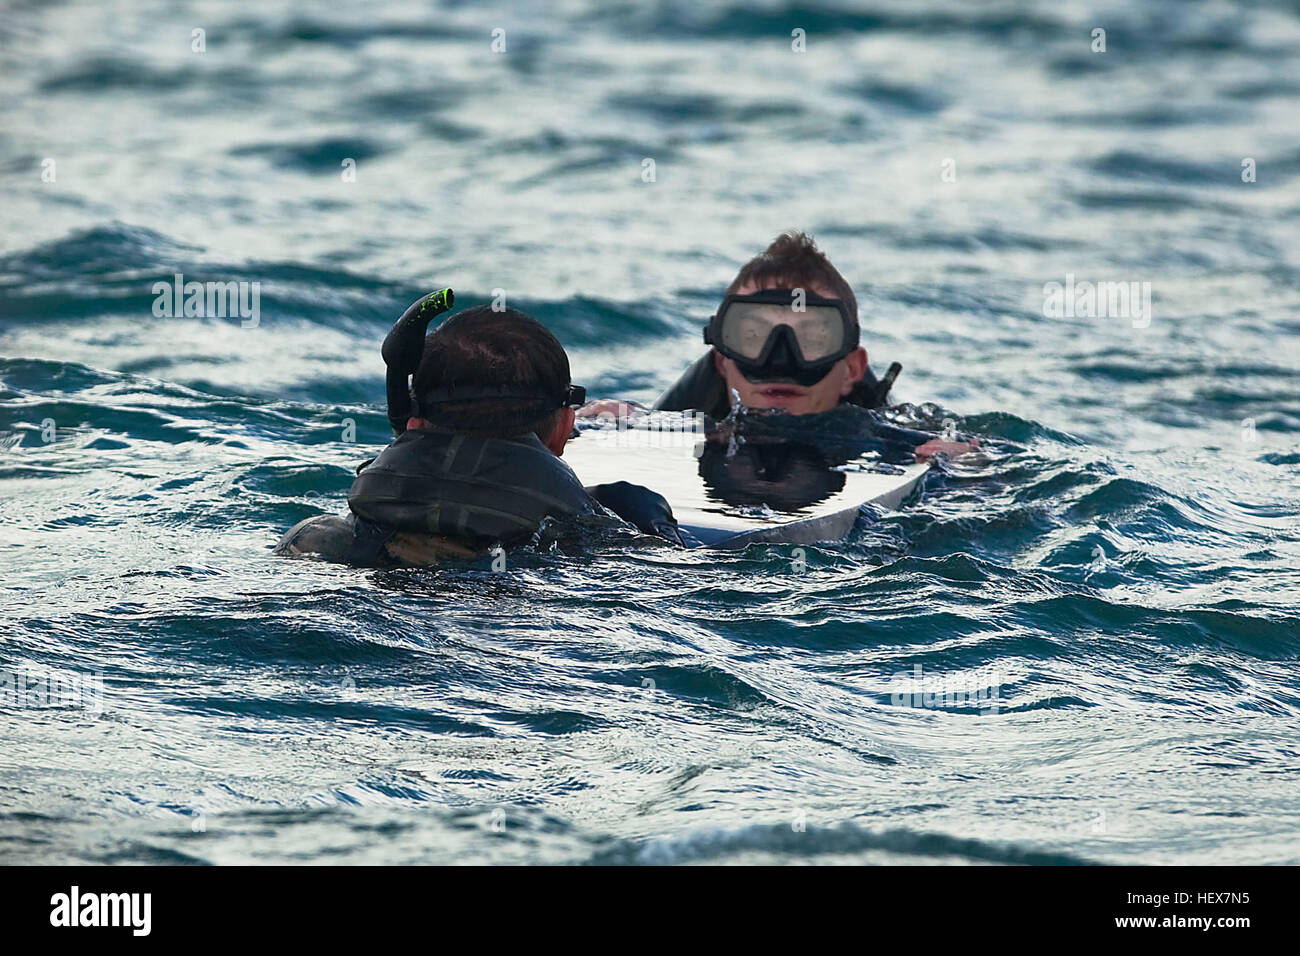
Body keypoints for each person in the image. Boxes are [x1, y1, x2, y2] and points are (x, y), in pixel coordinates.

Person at [277, 298, 682, 566]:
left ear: (412, 423)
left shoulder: (316, 545)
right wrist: (652, 534)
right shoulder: (601, 551)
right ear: (563, 429)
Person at [581, 231, 978, 462]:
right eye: (753, 336)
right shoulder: (641, 429)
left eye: (811, 338)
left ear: (852, 369)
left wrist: (970, 471)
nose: (780, 359)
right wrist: (598, 425)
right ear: (721, 358)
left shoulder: (914, 448)